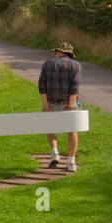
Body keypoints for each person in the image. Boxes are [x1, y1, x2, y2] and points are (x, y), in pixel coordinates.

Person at [38, 43, 81, 172]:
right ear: (69, 54)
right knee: (72, 130)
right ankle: (71, 161)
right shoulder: (76, 65)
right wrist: (70, 105)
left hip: (51, 102)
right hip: (68, 103)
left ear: (59, 52)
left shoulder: (47, 64)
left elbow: (42, 86)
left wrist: (46, 105)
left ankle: (54, 152)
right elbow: (75, 87)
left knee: (49, 127)